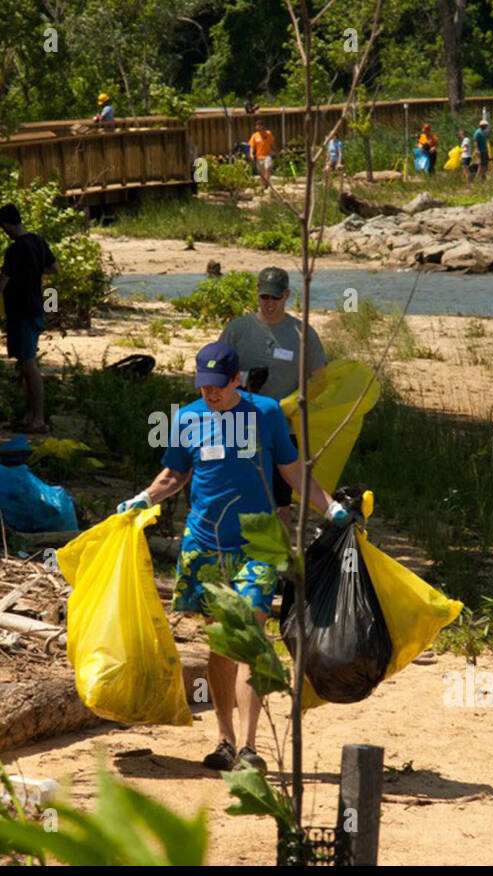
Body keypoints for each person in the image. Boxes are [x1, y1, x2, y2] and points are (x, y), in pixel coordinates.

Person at [116, 342, 352, 773]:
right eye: (204, 387)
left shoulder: (265, 414)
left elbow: (292, 471)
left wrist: (330, 506)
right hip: (204, 544)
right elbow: (175, 474)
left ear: (236, 379)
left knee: (251, 639)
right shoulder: (187, 417)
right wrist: (143, 498)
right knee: (222, 645)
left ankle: (249, 747)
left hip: (256, 545)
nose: (211, 395)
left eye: (218, 387)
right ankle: (223, 739)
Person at [218, 267, 328, 518]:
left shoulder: (303, 334)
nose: (269, 303)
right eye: (264, 297)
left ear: (287, 295)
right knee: (237, 494)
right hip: (238, 425)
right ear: (257, 293)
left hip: (282, 429)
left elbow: (320, 380)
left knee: (279, 502)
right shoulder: (237, 330)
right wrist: (244, 378)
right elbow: (214, 372)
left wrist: (289, 404)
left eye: (275, 298)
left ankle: (279, 555)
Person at [0, 203, 57, 433]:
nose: (5, 232)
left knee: (29, 364)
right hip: (37, 309)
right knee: (24, 363)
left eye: (3, 228)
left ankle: (38, 419)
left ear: (7, 225)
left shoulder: (15, 249)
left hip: (22, 312)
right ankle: (29, 416)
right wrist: (33, 271)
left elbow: (0, 286)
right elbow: (54, 268)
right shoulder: (38, 241)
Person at [248, 120, 275, 188]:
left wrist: (275, 151)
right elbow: (252, 146)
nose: (260, 129)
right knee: (262, 173)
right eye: (258, 128)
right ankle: (264, 185)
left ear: (263, 127)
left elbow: (272, 143)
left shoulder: (268, 134)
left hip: (267, 155)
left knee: (267, 168)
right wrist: (251, 154)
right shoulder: (255, 136)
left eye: (261, 127)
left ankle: (266, 183)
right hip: (259, 156)